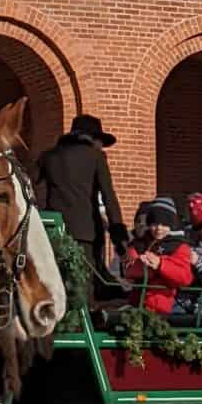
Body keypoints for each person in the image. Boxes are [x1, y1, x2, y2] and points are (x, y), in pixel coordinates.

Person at [34, 114, 125, 284]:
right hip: (87, 233)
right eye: (101, 142)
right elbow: (109, 197)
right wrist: (119, 236)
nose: (101, 147)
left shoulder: (47, 156)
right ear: (93, 138)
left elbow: (33, 186)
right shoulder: (96, 157)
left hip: (54, 230)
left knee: (56, 281)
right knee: (84, 285)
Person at [121, 198, 194, 315]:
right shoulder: (139, 243)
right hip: (137, 303)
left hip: (164, 306)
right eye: (154, 224)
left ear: (171, 224)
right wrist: (143, 265)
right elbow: (128, 269)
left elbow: (185, 277)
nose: (159, 228)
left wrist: (161, 264)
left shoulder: (178, 246)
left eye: (164, 224)